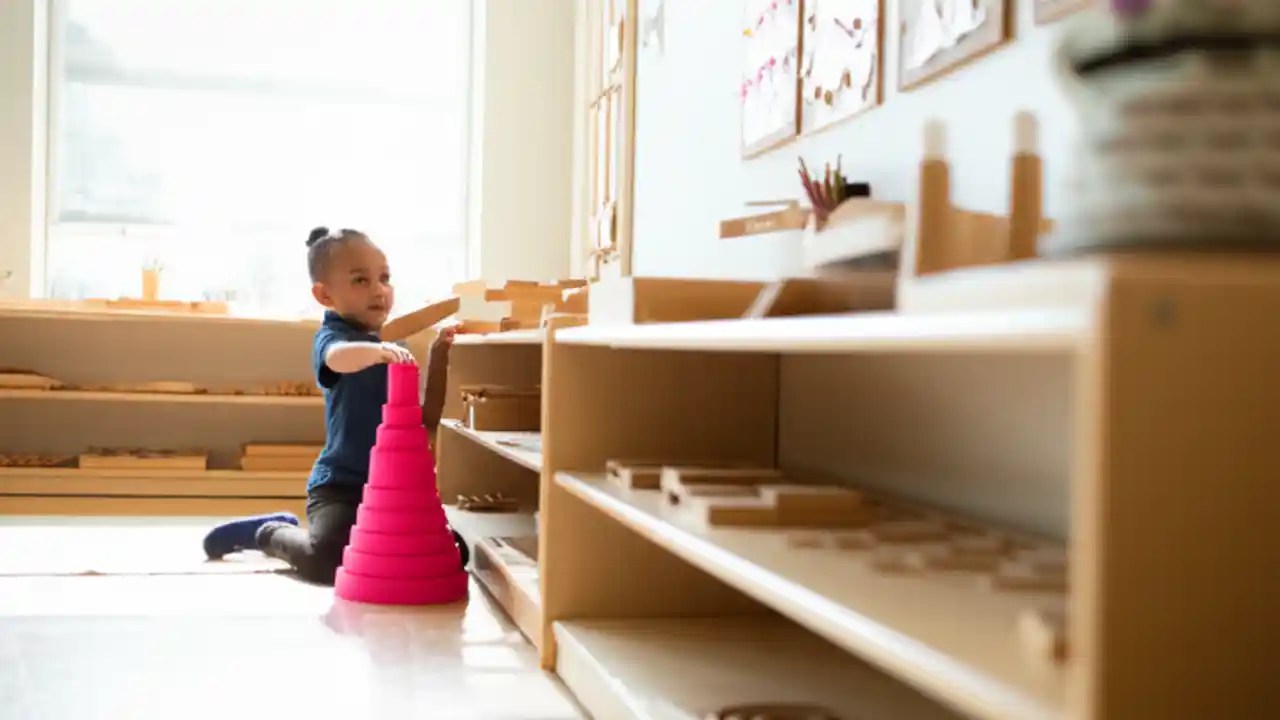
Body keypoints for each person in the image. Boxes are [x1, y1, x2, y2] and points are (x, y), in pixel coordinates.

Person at [202, 227, 465, 583]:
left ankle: (366, 543)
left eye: (384, 278)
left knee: (454, 551)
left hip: (394, 490)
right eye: (361, 280)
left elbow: (425, 420)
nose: (379, 290)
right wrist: (376, 351)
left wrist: (439, 355)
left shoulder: (390, 344)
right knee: (326, 560)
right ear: (325, 295)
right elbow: (338, 358)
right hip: (342, 488)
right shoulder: (336, 338)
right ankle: (269, 532)